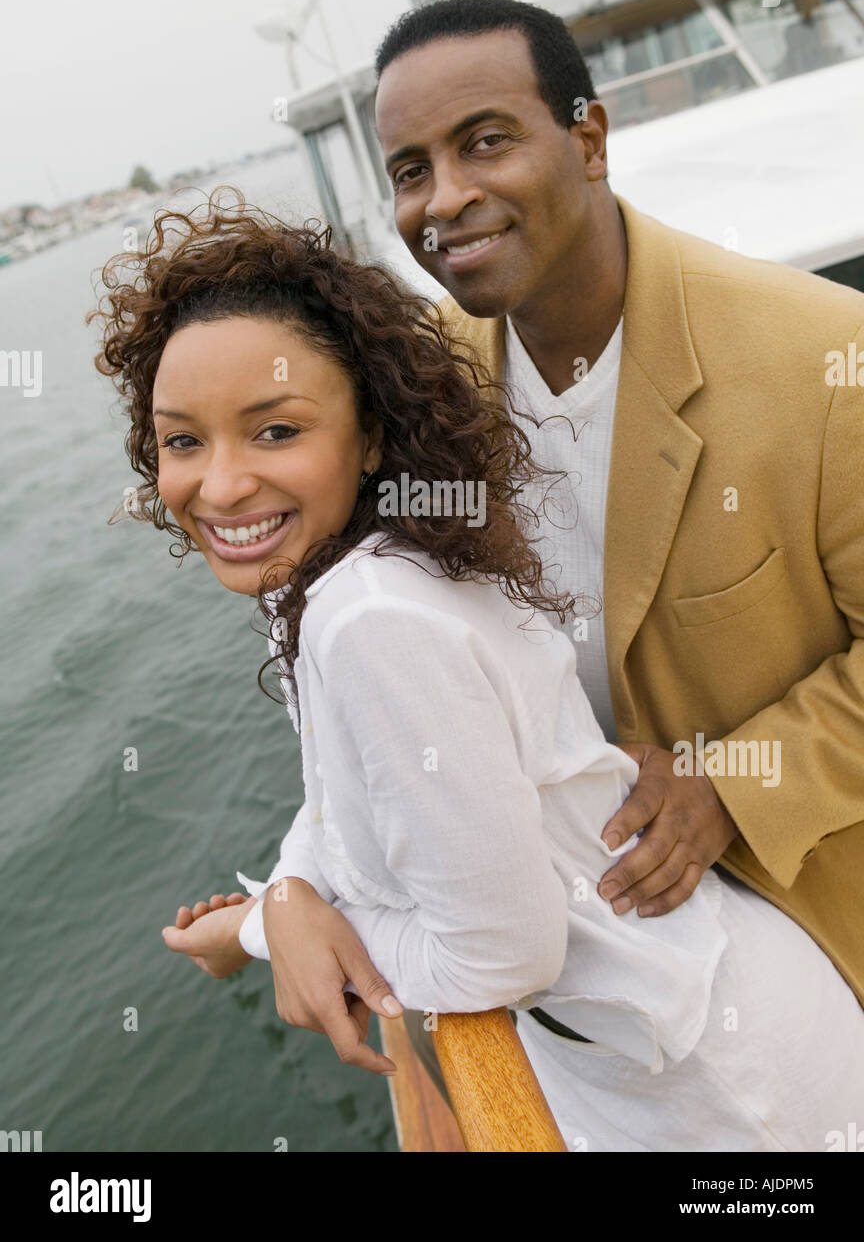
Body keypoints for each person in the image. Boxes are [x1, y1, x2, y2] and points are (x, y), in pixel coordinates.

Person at [88, 194, 864, 1151]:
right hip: (692, 1031)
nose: (222, 483)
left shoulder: (363, 619)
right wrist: (290, 891)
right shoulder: (388, 561)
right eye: (182, 441)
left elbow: (499, 958)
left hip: (728, 1099)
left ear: (368, 436)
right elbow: (355, 802)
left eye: (276, 430)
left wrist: (253, 931)